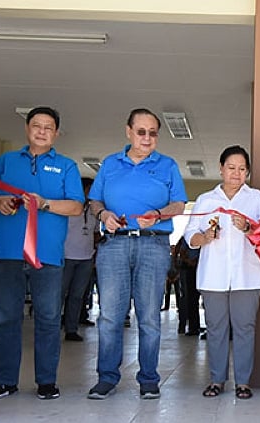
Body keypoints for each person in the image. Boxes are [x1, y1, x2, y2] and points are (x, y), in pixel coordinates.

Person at [0, 106, 84, 402]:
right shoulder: (6, 161)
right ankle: (5, 380)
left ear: (57, 133)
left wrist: (45, 203)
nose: (41, 131)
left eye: (48, 127)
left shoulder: (66, 166)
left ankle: (47, 381)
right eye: (36, 125)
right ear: (27, 129)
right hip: (7, 252)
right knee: (6, 318)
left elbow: (76, 206)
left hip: (47, 256)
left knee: (49, 319)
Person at [87, 108, 187, 401]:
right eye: (141, 131)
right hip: (114, 244)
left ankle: (149, 379)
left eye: (153, 133)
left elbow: (179, 204)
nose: (147, 138)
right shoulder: (110, 163)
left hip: (153, 245)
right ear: (128, 131)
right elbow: (95, 201)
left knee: (150, 317)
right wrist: (103, 214)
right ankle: (106, 378)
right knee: (110, 317)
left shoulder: (167, 165)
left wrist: (158, 214)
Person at [185, 145, 260, 400]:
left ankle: (243, 382)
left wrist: (248, 228)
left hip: (247, 275)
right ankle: (217, 380)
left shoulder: (256, 198)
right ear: (221, 169)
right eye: (231, 167)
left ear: (248, 172)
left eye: (242, 169)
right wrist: (203, 237)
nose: (236, 173)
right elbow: (189, 234)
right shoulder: (206, 200)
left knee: (245, 328)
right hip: (213, 275)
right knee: (216, 328)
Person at [61, 177, 97, 342]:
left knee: (77, 295)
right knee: (59, 294)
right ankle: (52, 326)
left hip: (86, 257)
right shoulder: (69, 206)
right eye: (90, 189)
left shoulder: (94, 210)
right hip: (67, 255)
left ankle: (71, 329)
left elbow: (95, 233)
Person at [174, 236, 202, 336]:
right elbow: (180, 251)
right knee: (190, 299)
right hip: (190, 268)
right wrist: (188, 261)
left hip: (201, 267)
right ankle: (192, 327)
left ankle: (196, 327)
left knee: (204, 299)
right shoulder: (187, 236)